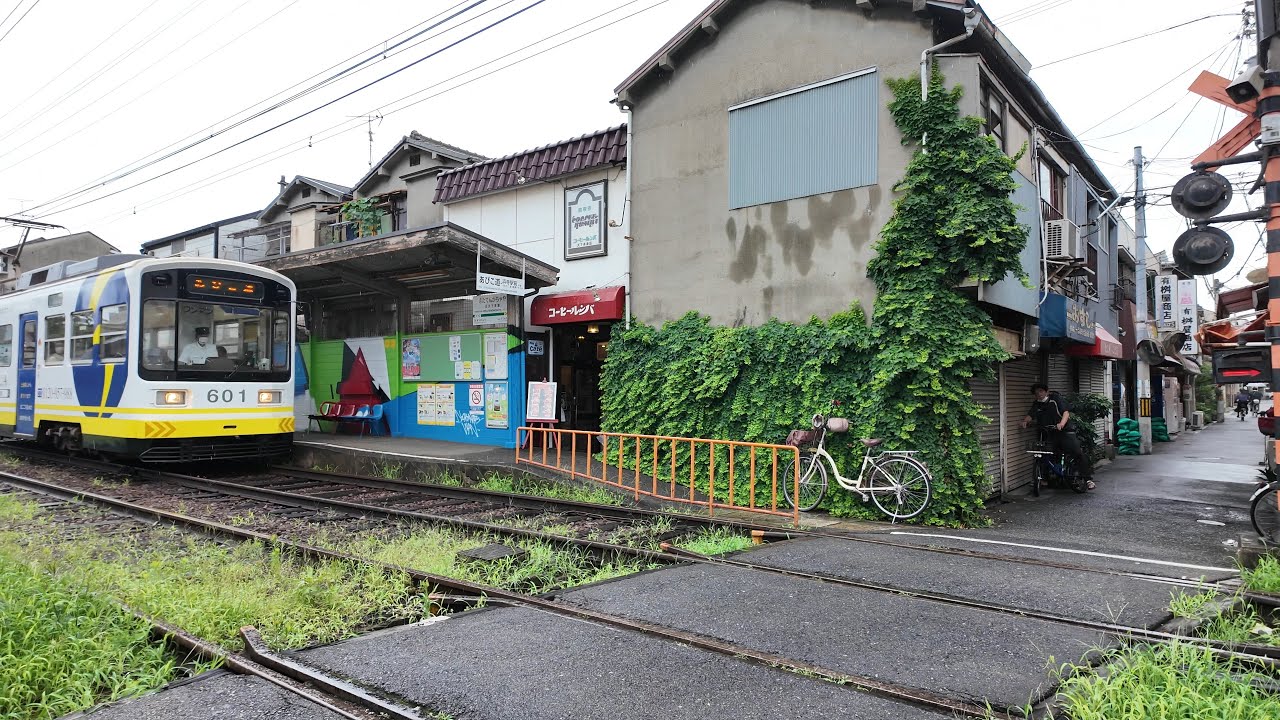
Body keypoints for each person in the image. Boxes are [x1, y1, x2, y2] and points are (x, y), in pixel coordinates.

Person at [1022, 382, 1093, 490]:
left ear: (1046, 391)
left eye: (1041, 391)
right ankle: (1045, 479)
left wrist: (1061, 424)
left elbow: (1065, 412)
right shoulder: (1037, 403)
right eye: (1036, 393)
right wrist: (1024, 422)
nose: (1039, 394)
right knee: (1046, 454)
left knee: (1077, 453)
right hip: (1051, 433)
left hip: (1065, 431)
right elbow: (1030, 415)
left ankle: (1088, 479)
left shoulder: (1055, 399)